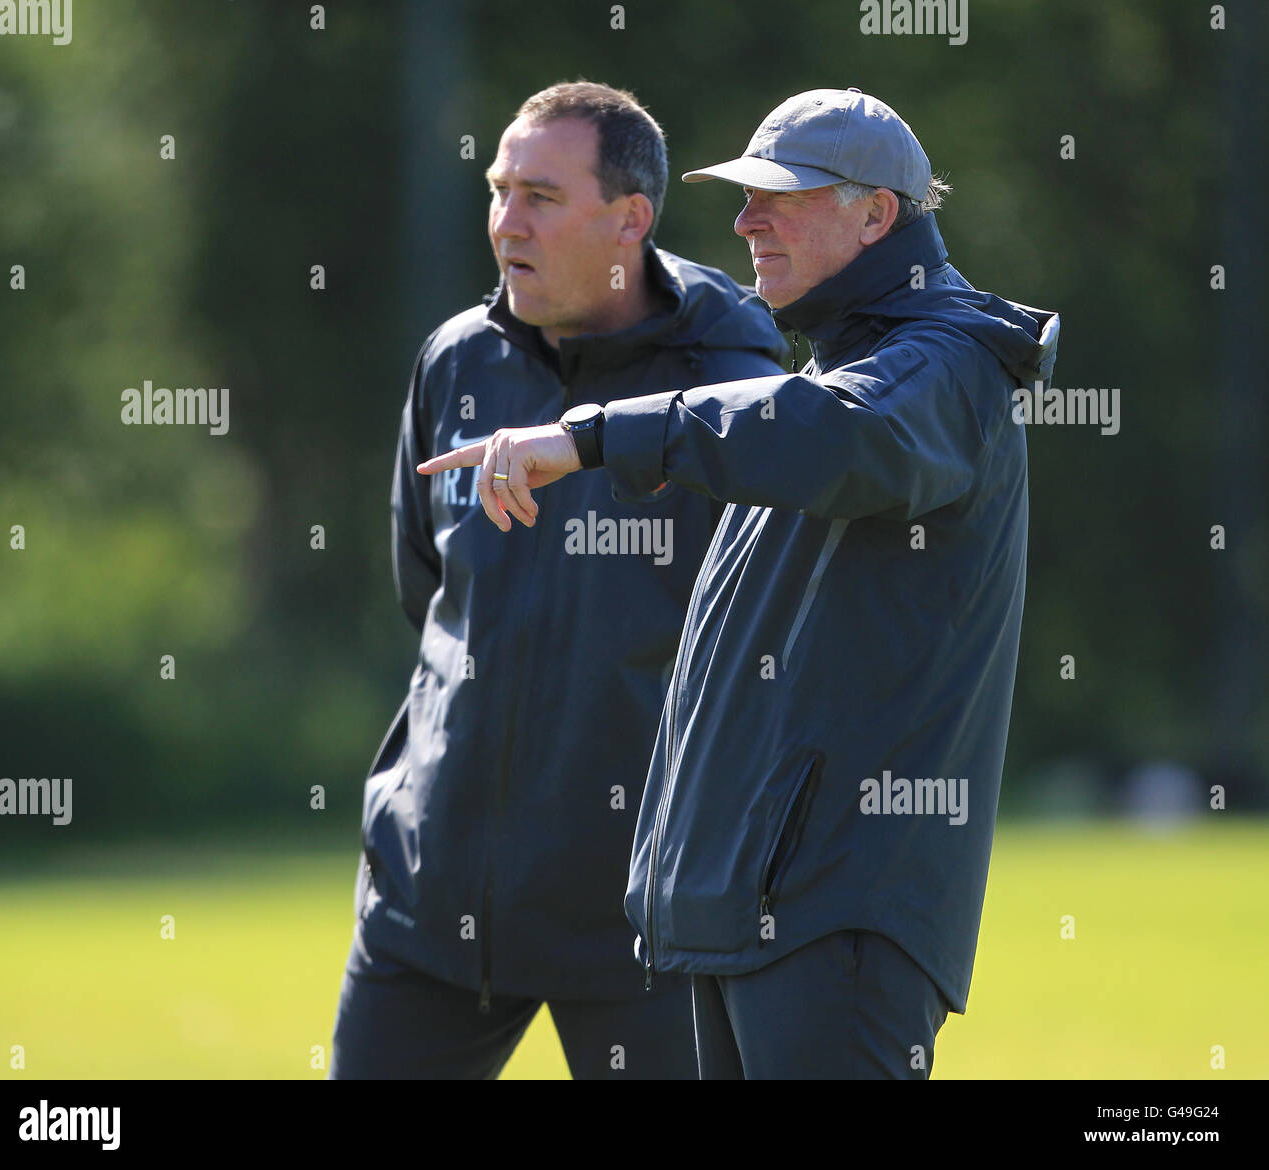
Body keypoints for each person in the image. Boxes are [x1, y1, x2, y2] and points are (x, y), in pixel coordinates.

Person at [418, 88, 1061, 1079]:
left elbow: (837, 433)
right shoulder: (844, 369)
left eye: (779, 196)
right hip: (749, 916)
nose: (744, 220)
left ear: (875, 216)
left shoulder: (943, 366)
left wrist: (591, 433)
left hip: (832, 919)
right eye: (744, 195)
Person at [329, 81, 787, 1079]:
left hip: (645, 929)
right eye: (497, 191)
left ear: (630, 220)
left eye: (538, 195)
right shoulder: (456, 361)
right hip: (430, 905)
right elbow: (429, 596)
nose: (504, 224)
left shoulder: (738, 373)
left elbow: (773, 644)